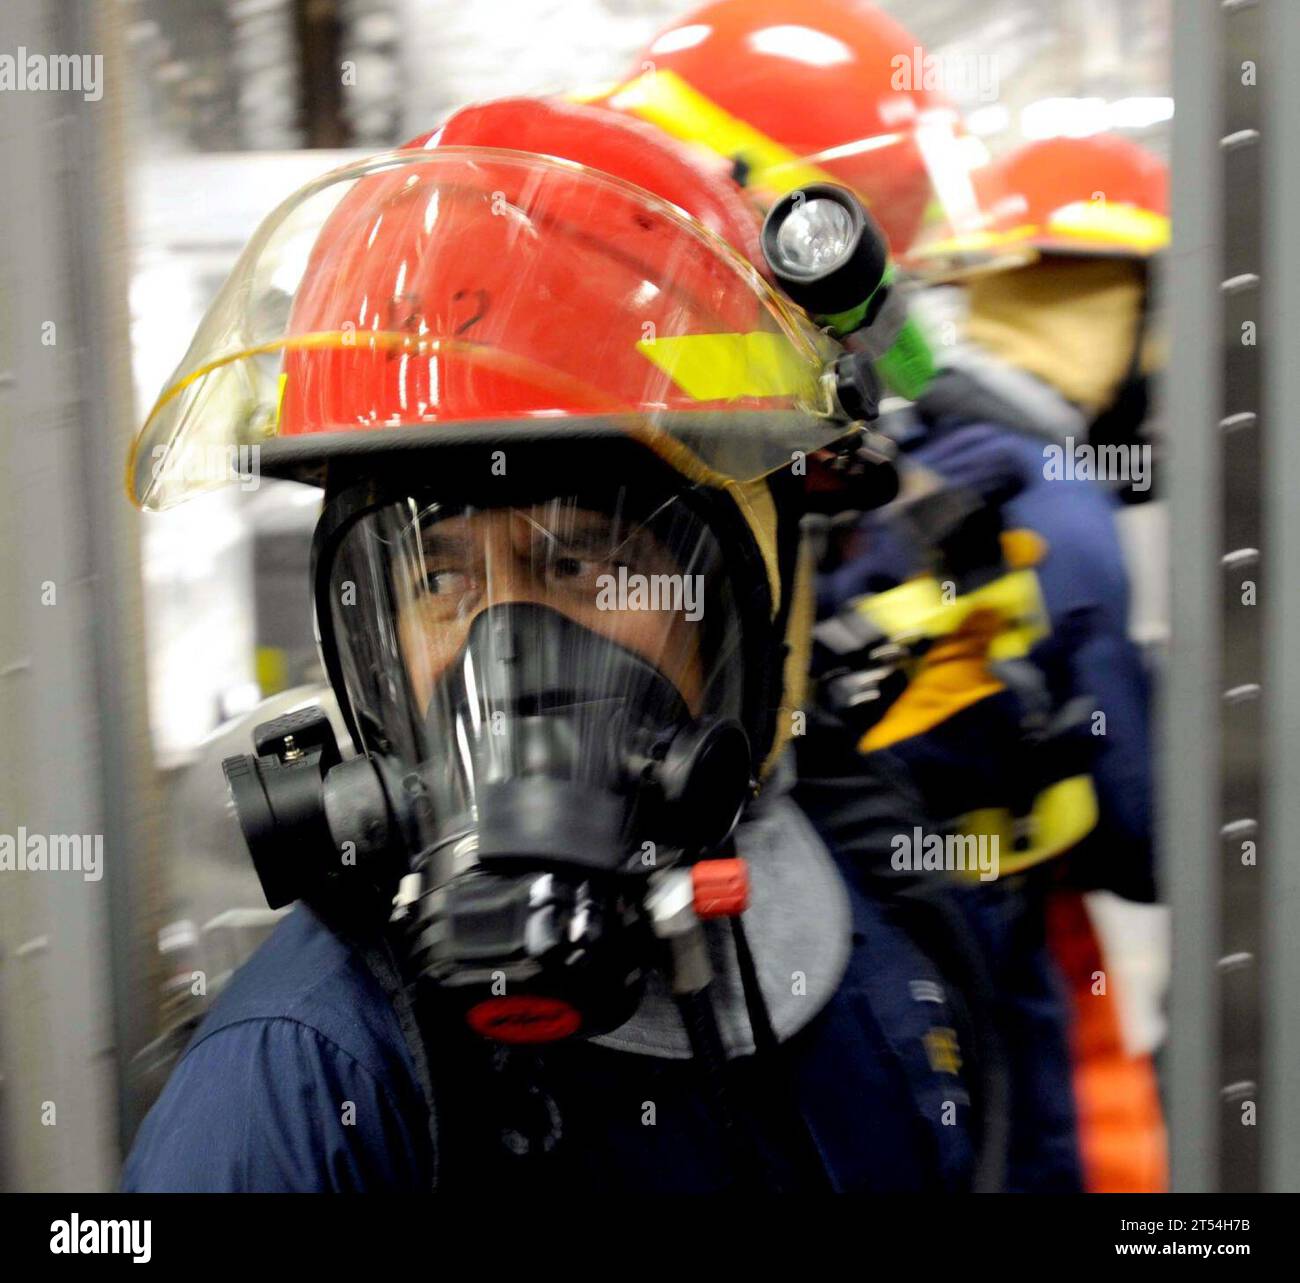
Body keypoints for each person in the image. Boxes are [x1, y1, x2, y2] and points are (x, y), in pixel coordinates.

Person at [122, 96, 984, 1193]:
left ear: (751, 596)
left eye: (579, 562)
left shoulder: (870, 946)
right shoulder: (303, 1084)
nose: (510, 649)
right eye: (440, 578)